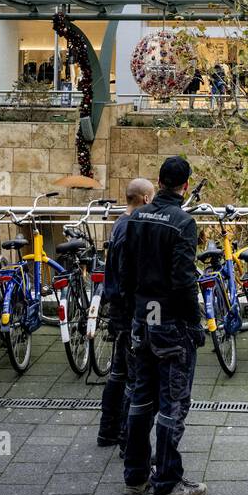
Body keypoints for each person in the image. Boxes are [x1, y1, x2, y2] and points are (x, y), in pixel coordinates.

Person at [120, 156, 208, 495]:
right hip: (170, 321)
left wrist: (131, 314)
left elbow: (125, 270)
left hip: (143, 316)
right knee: (173, 401)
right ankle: (167, 483)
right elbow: (184, 279)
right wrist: (194, 322)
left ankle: (136, 475)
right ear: (186, 185)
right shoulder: (183, 222)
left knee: (141, 395)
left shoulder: (136, 217)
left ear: (159, 181)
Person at [96, 177, 154, 452]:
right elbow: (127, 275)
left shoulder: (119, 223)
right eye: (151, 197)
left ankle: (107, 431)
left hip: (117, 307)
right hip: (127, 309)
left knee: (118, 372)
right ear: (144, 199)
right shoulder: (132, 227)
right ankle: (128, 440)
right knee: (134, 376)